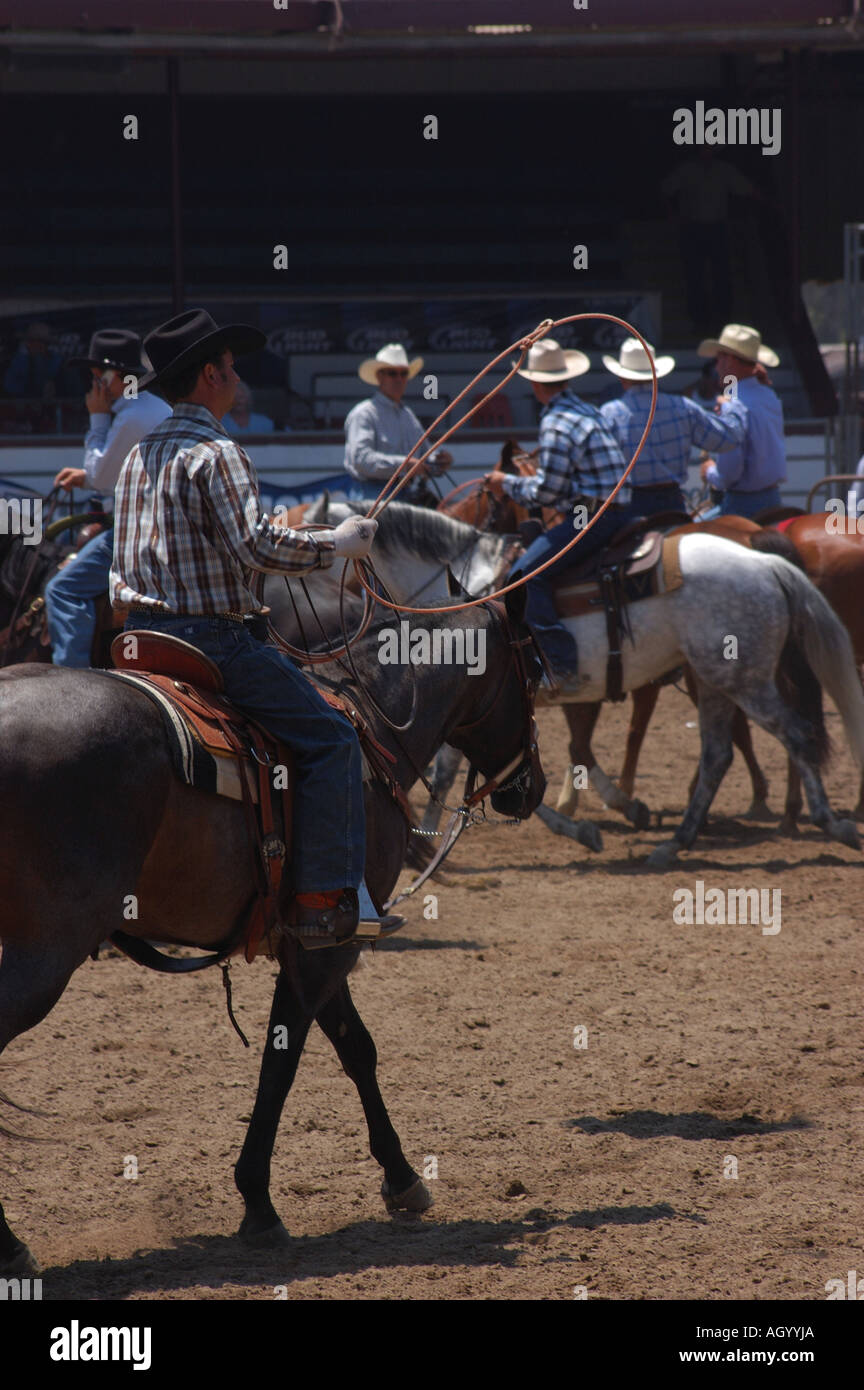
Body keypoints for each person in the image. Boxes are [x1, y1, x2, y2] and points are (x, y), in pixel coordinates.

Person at [110, 308, 401, 948]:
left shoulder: (138, 457)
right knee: (331, 738)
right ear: (210, 375)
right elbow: (256, 547)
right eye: (233, 367)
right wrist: (336, 544)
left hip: (140, 641)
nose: (238, 377)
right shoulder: (217, 452)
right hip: (211, 641)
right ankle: (326, 897)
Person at [483, 338, 633, 694]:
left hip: (590, 514)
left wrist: (507, 484)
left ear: (535, 384)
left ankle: (562, 668)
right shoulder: (587, 409)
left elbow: (548, 493)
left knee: (524, 577)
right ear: (565, 378)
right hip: (618, 508)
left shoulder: (556, 423)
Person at [43, 330, 172, 668]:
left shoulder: (128, 416)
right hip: (162, 525)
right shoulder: (151, 407)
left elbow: (101, 478)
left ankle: (70, 679)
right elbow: (111, 473)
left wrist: (97, 416)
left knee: (62, 591)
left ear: (109, 378)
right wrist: (85, 476)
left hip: (137, 533)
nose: (93, 383)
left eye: (96, 376)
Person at [600, 336, 747, 516]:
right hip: (673, 504)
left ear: (622, 378)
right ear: (656, 376)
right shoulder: (683, 406)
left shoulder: (610, 414)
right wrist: (730, 404)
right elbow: (730, 438)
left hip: (631, 505)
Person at [661, 148, 760, 332]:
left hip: (717, 227)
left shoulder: (724, 170)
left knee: (721, 273)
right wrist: (673, 216)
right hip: (693, 227)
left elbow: (747, 190)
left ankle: (723, 317)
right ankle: (699, 318)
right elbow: (666, 189)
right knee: (695, 275)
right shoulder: (687, 170)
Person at [696, 323, 786, 517]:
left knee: (690, 533)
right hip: (773, 500)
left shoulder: (732, 405)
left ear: (729, 361)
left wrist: (710, 472)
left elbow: (729, 473)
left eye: (719, 360)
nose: (717, 367)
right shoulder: (769, 396)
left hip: (742, 505)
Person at [344, 343, 452, 500]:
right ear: (379, 376)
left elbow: (424, 454)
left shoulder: (407, 415)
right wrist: (406, 465)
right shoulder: (364, 413)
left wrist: (438, 461)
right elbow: (362, 460)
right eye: (393, 373)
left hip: (407, 492)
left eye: (404, 374)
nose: (399, 379)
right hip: (372, 495)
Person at [2, 321, 66, 398]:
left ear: (46, 344)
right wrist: (27, 388)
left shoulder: (57, 361)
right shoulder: (19, 361)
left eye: (40, 342)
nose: (35, 345)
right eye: (31, 341)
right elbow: (9, 384)